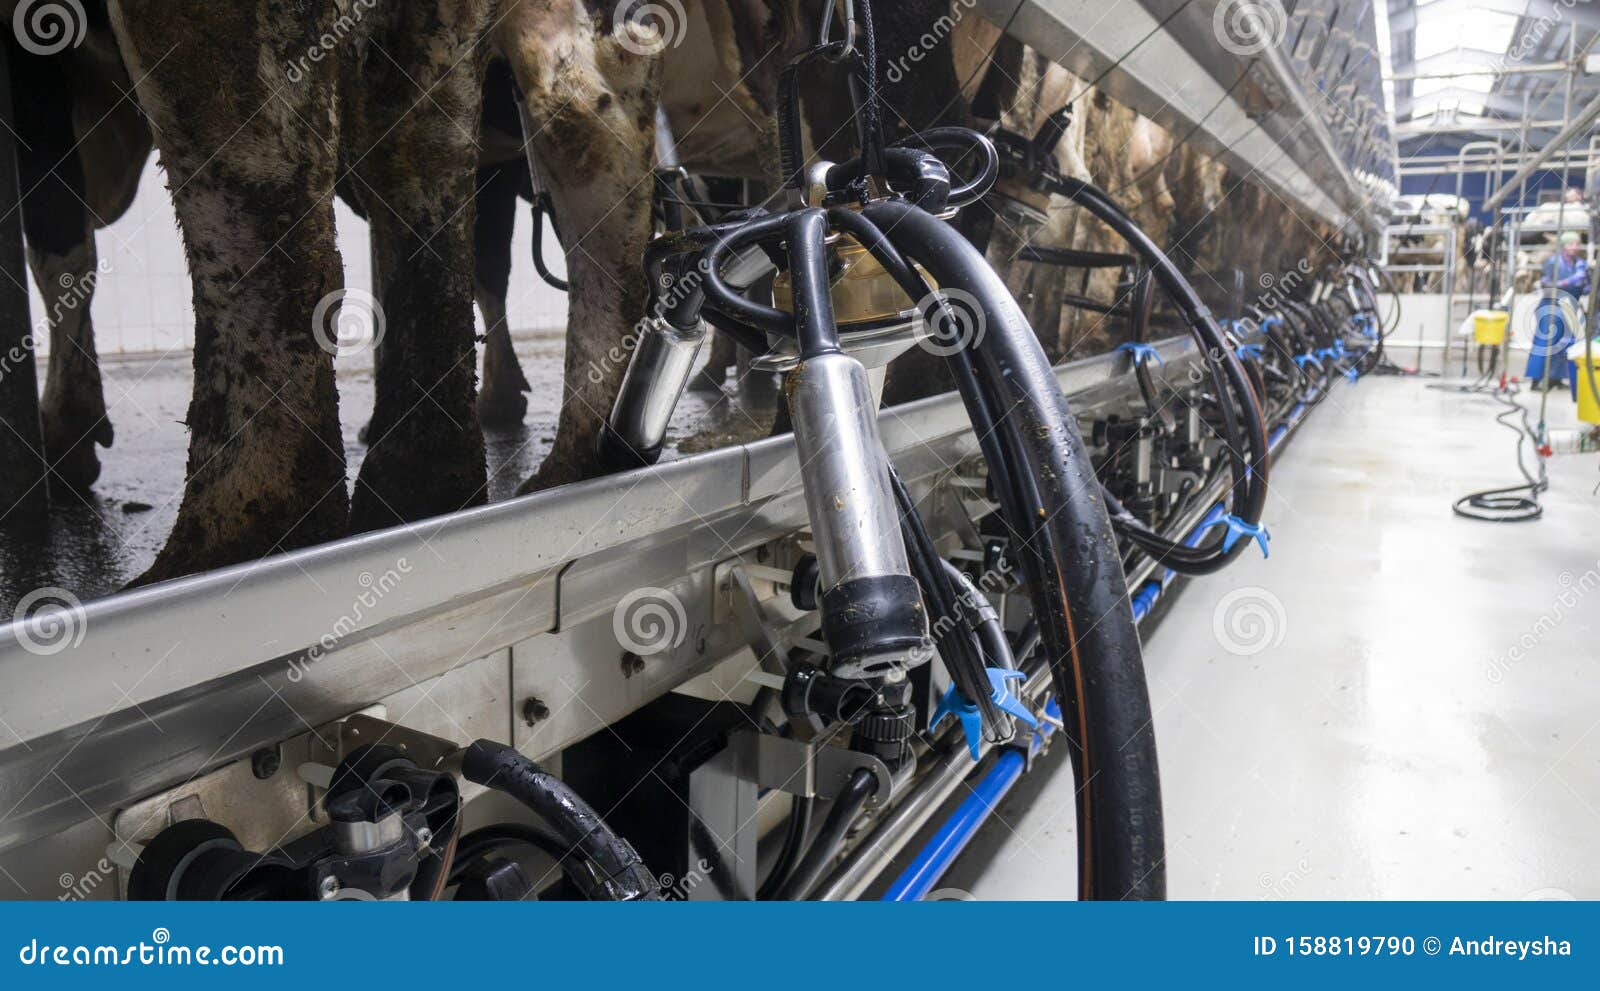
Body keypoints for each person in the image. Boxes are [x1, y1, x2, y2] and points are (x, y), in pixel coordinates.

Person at [1529, 231, 1586, 387]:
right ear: (1563, 246)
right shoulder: (1553, 262)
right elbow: (1547, 283)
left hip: (1569, 307)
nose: (1574, 247)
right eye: (1570, 244)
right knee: (1545, 341)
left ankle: (1556, 378)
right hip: (1550, 306)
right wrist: (1566, 283)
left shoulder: (1580, 263)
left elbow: (1582, 281)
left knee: (1565, 342)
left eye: (1576, 244)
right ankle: (1536, 379)